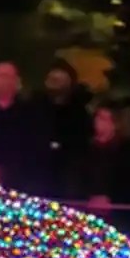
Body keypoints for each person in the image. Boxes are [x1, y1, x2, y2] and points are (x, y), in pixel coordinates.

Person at [77, 103, 130, 245]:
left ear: (115, 124)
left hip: (118, 212)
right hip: (87, 208)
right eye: (98, 118)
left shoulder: (128, 150)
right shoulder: (86, 149)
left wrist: (111, 199)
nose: (99, 122)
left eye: (105, 119)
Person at [0, 61, 54, 196]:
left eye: (7, 76)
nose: (2, 81)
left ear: (16, 81)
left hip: (21, 180)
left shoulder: (30, 114)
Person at [36, 59, 92, 198]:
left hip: (69, 180)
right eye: (52, 79)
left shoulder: (79, 112)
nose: (55, 82)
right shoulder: (35, 107)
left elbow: (81, 146)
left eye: (59, 79)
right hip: (38, 177)